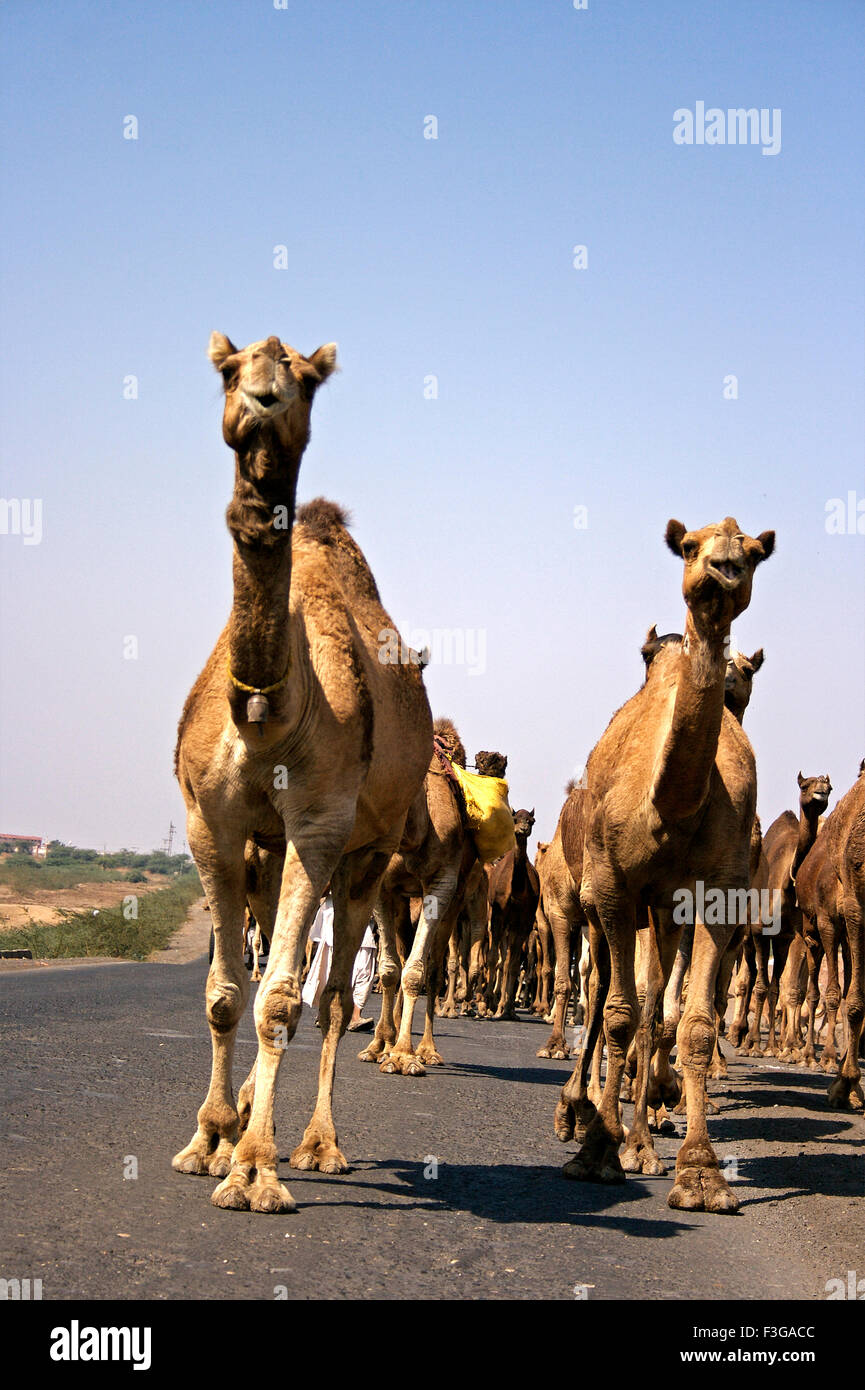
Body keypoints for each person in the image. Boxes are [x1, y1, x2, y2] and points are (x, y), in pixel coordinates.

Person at [301, 892, 377, 1031]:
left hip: (362, 906)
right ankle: (325, 1012)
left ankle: (355, 1016)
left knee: (364, 965)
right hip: (335, 910)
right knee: (329, 965)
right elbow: (320, 889)